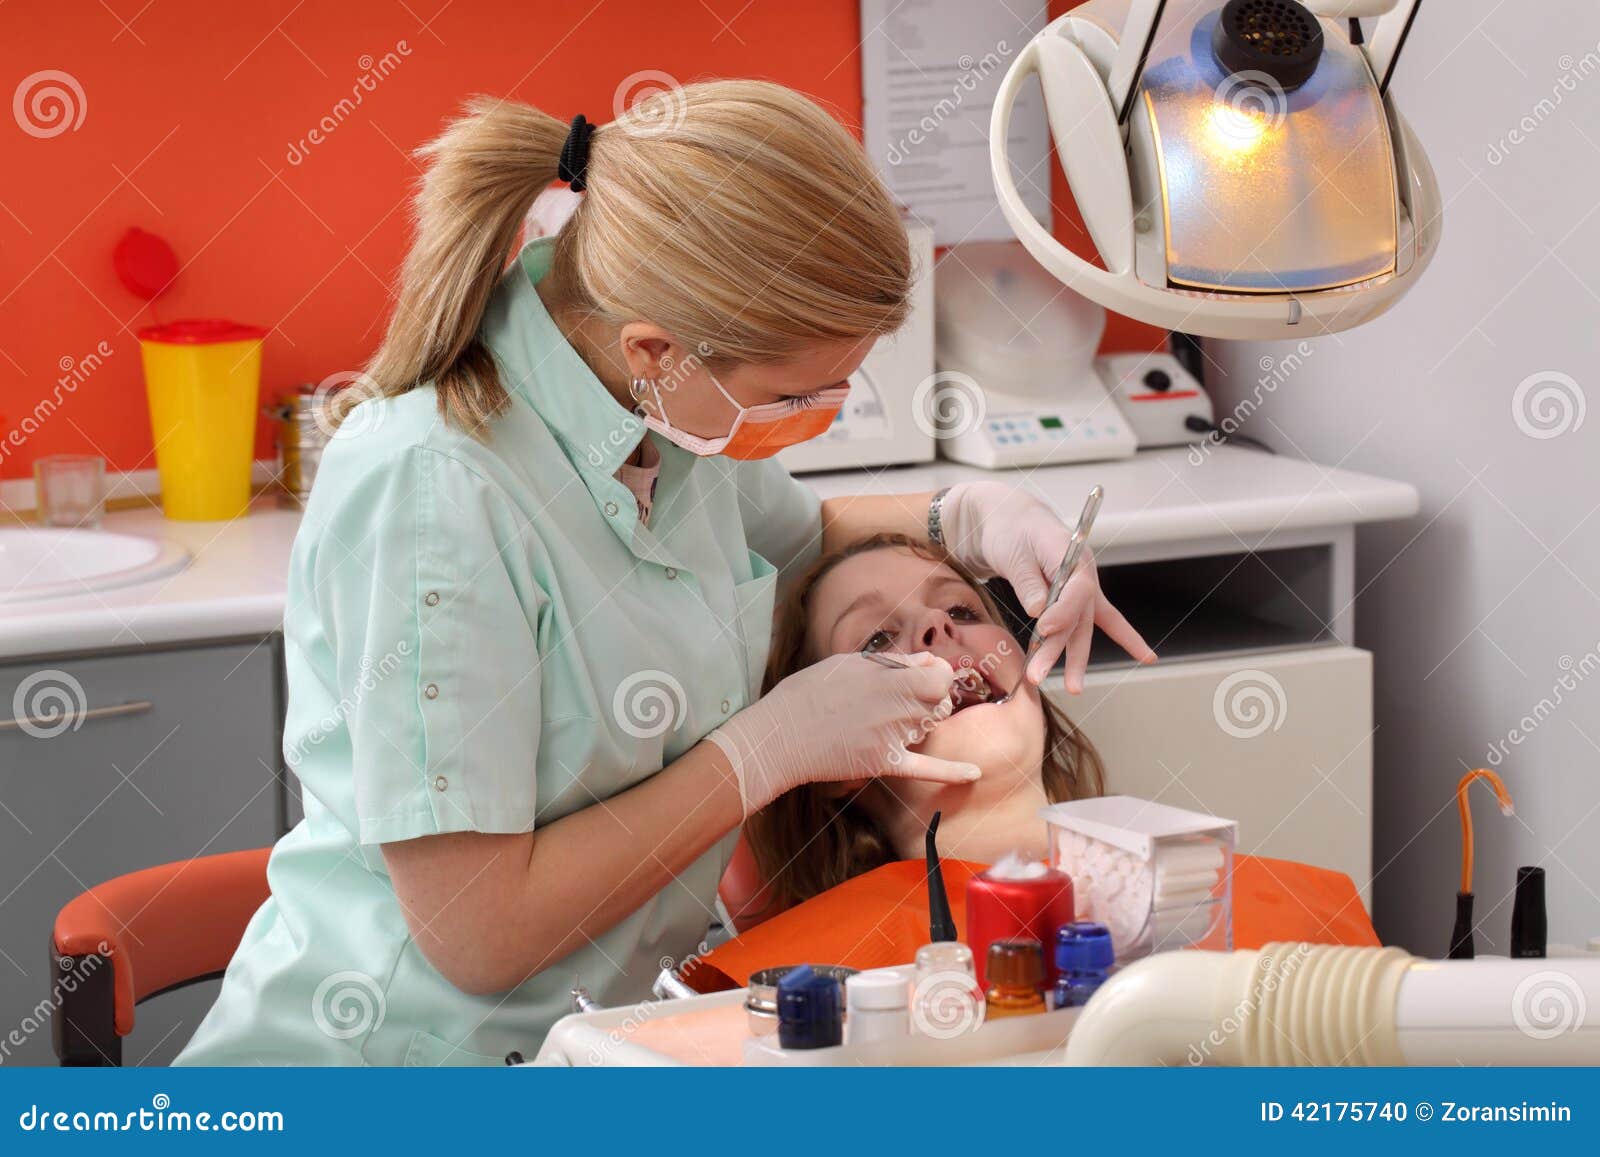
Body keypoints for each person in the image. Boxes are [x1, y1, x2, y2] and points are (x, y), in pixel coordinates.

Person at [175, 80, 1152, 1066]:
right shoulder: (434, 497)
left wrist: (971, 515)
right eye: (795, 392)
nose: (826, 411)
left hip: (609, 1039)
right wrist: (762, 753)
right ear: (656, 348)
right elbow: (479, 934)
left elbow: (803, 533)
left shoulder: (660, 409)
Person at [739, 533, 1106, 920]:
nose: (937, 621)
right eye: (878, 639)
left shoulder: (1166, 887)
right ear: (833, 763)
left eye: (962, 610)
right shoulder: (828, 969)